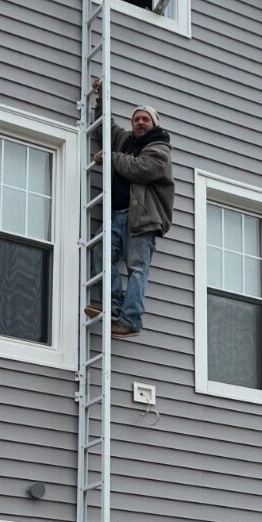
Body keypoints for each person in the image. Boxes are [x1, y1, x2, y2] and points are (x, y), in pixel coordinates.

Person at [86, 79, 174, 337]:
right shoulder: (124, 141)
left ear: (154, 124)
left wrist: (110, 157)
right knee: (100, 252)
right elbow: (105, 129)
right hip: (117, 214)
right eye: (136, 119)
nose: (139, 123)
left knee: (137, 269)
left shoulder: (160, 149)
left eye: (145, 119)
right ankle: (114, 307)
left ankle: (131, 319)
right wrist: (101, 96)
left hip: (142, 218)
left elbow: (141, 169)